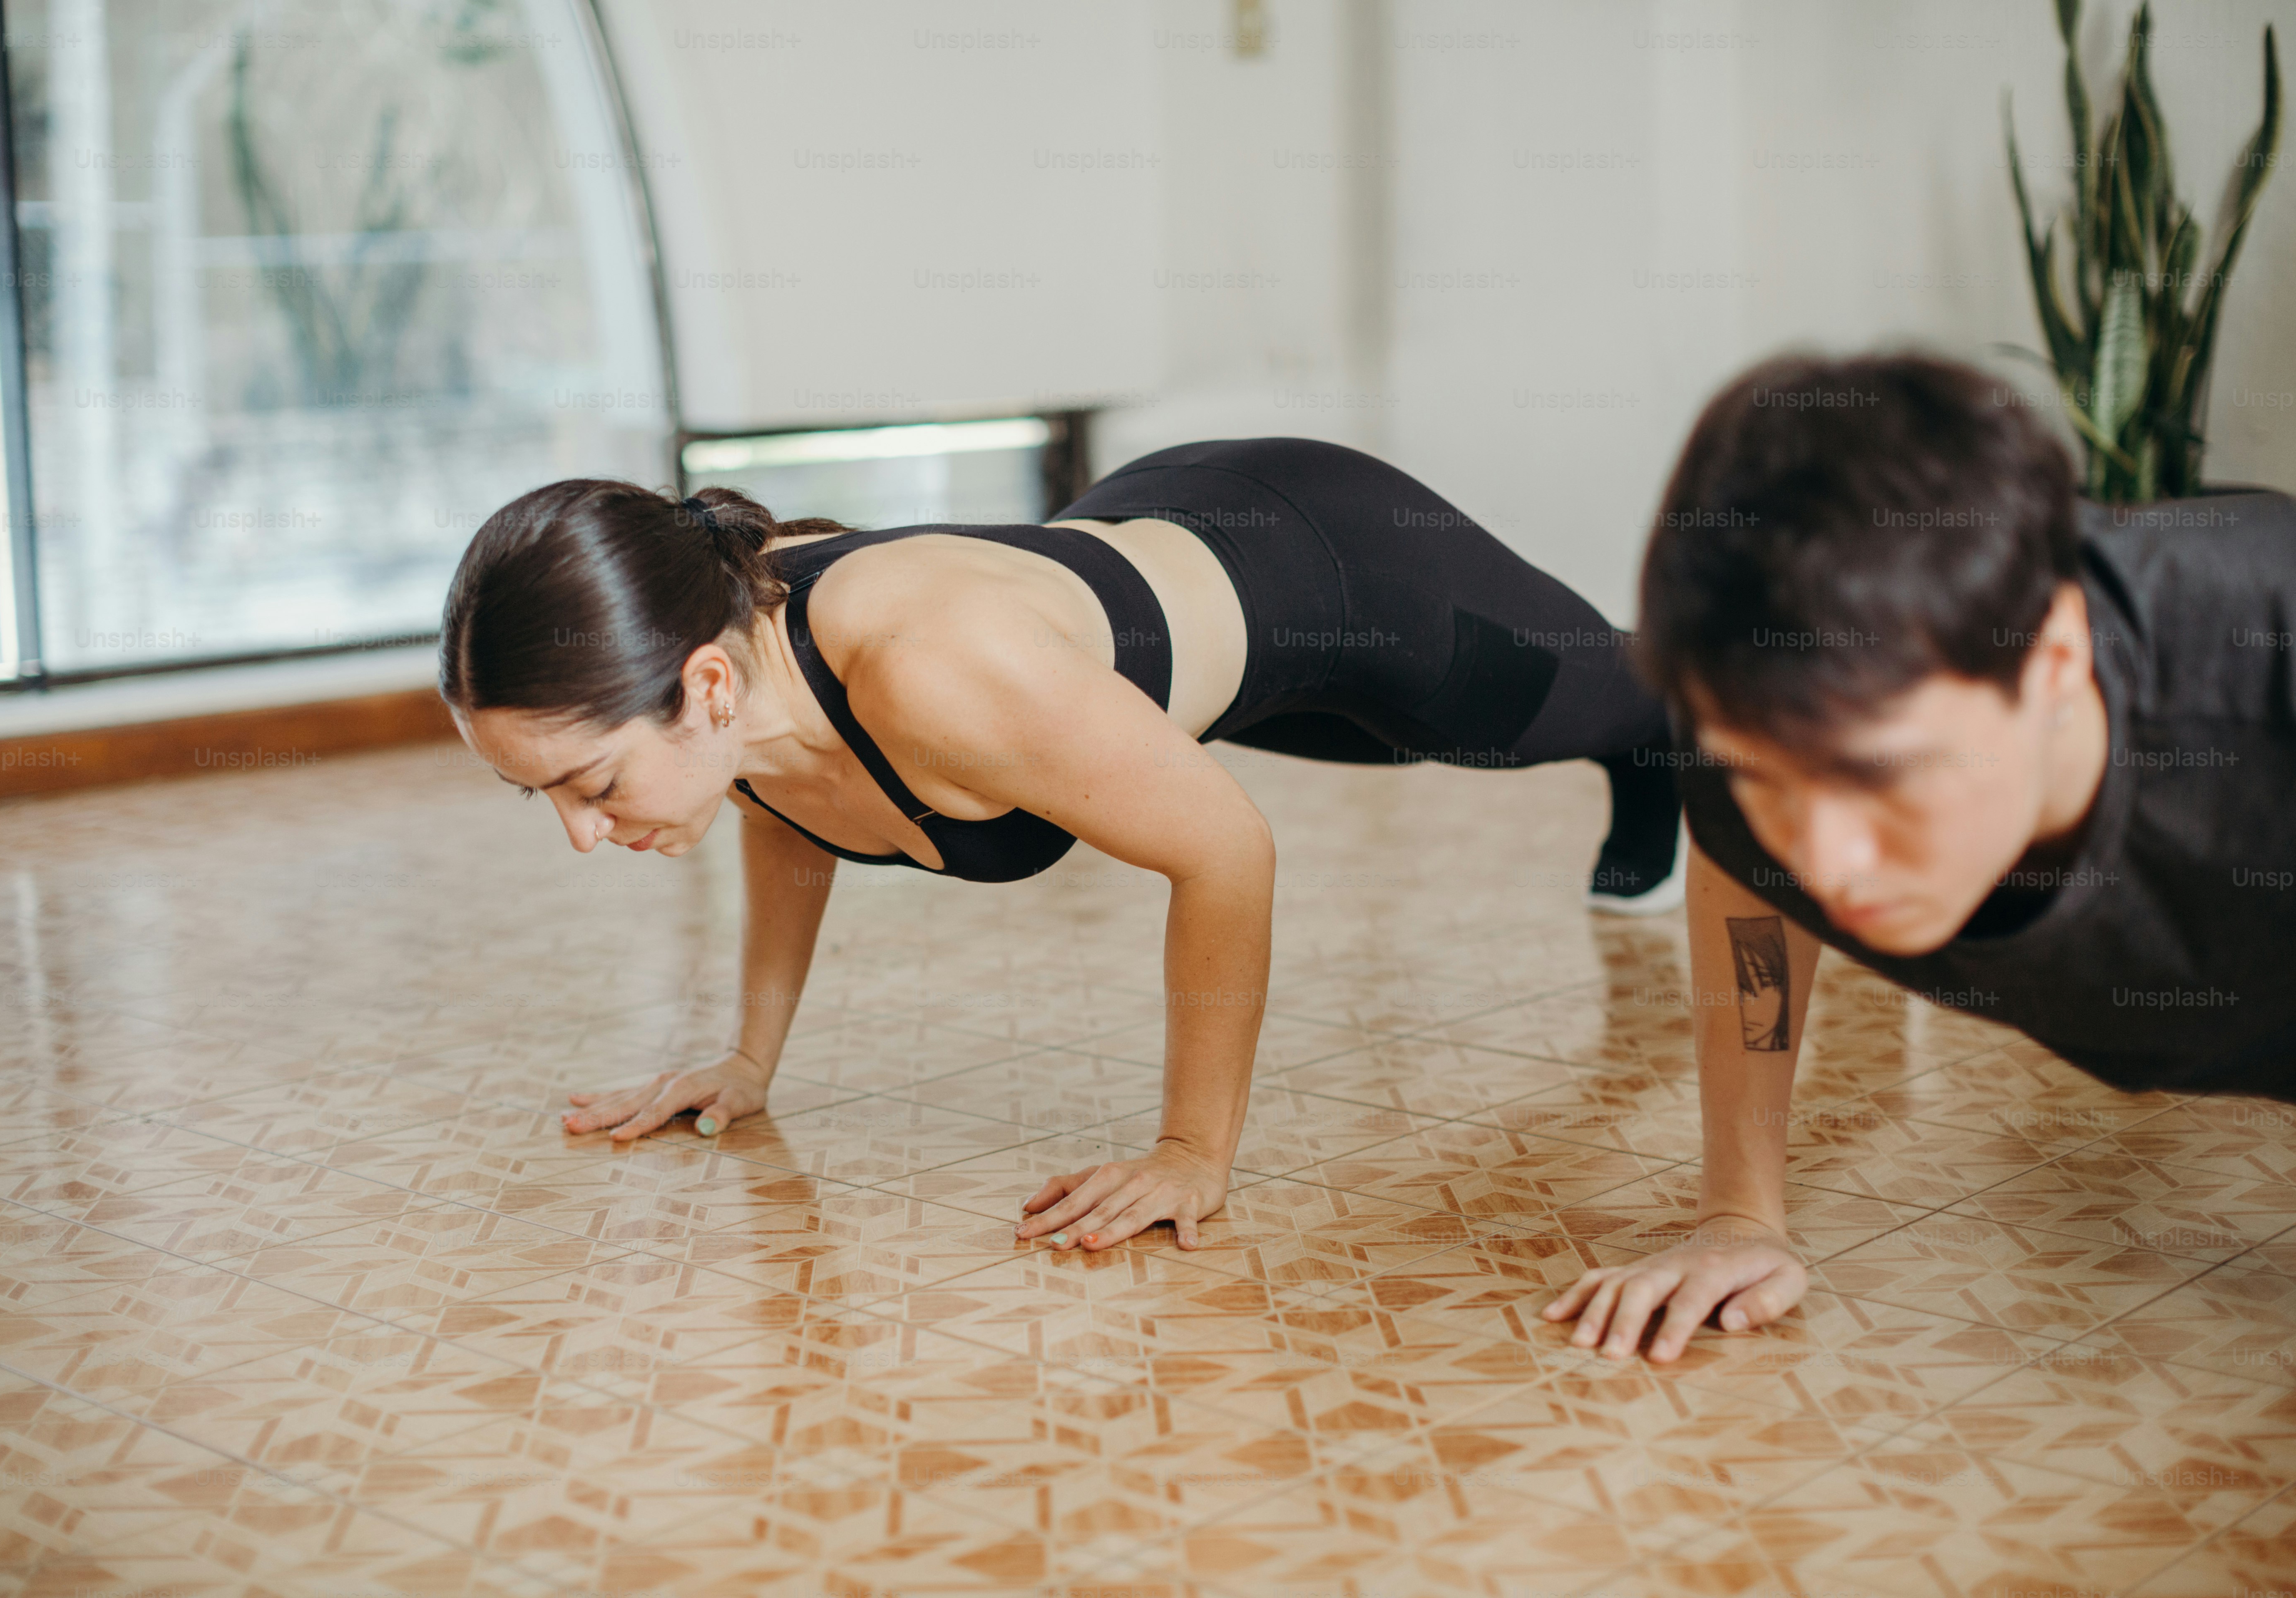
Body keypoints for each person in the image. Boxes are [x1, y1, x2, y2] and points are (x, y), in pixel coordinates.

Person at [440, 437, 1682, 1252]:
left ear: (706, 688)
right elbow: (787, 803)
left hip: (1337, 557)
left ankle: (1659, 746)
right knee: (1378, 738)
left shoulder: (937, 675)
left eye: (593, 785)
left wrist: (1192, 1155)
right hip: (1162, 558)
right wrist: (748, 1058)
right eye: (539, 797)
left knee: (1588, 705)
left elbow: (1227, 852)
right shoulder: (729, 662)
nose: (583, 836)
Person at [1546, 351, 2296, 1362]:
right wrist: (1739, 1213)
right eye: (1765, 779)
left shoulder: (2262, 667)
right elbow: (1744, 871)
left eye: (1883, 776)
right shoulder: (1753, 704)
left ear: (2054, 661)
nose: (1826, 865)